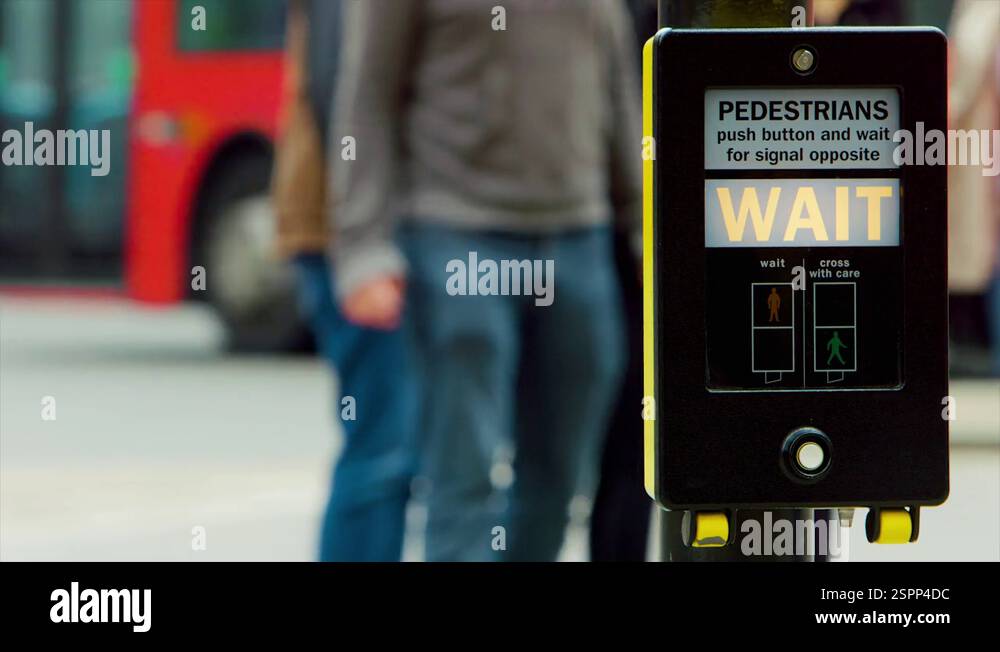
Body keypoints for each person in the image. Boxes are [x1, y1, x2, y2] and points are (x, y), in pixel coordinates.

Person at [330, 0, 641, 561]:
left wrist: (642, 218)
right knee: (464, 473)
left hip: (577, 234)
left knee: (558, 476)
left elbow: (615, 76)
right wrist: (363, 248)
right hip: (457, 230)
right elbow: (367, 98)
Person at [270, 0, 417, 561]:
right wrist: (365, 237)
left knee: (392, 447)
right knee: (383, 449)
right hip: (349, 230)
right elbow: (342, 90)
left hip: (348, 225)